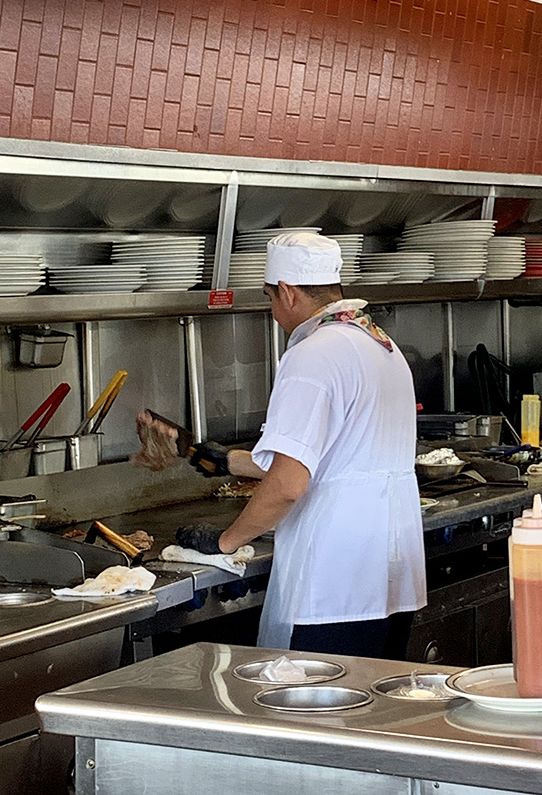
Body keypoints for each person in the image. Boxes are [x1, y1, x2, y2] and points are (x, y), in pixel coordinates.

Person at [140, 232, 427, 658]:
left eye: (270, 298)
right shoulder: (380, 345)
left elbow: (290, 484)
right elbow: (334, 460)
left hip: (331, 590)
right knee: (370, 714)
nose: (273, 311)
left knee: (315, 717)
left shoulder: (313, 355)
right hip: (391, 582)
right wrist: (220, 459)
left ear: (288, 292)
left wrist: (226, 541)